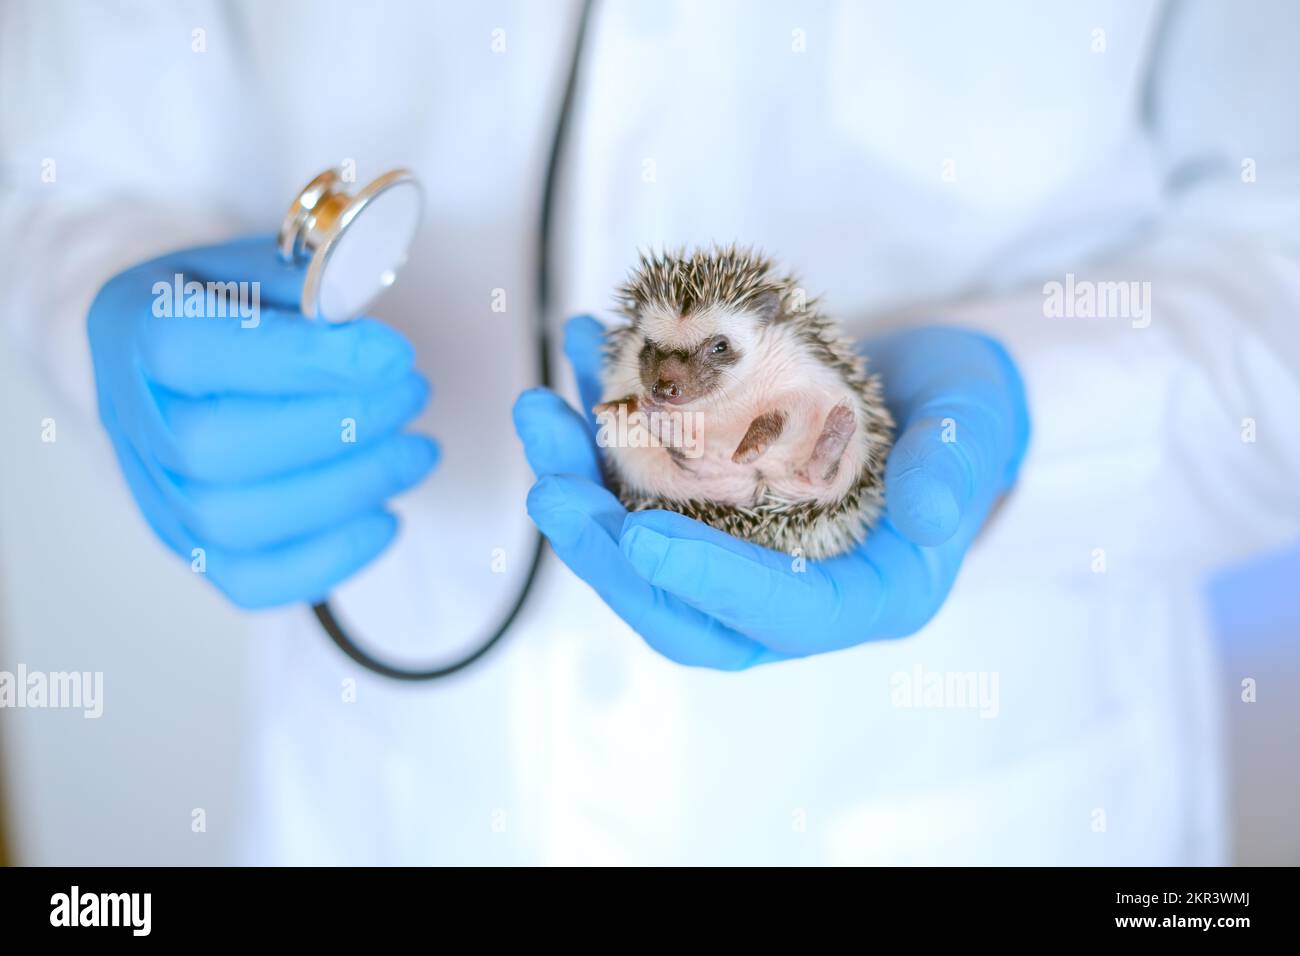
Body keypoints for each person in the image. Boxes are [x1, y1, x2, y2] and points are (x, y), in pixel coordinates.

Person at [2, 0, 1297, 864]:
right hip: (395, 790)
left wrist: (1046, 417)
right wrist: (100, 316)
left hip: (994, 772)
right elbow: (64, 177)